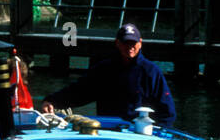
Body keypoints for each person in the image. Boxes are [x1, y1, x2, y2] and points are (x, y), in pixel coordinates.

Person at [42, 23, 175, 123]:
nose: (130, 47)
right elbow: (79, 91)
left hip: (138, 134)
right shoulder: (103, 69)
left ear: (140, 43)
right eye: (125, 43)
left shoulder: (151, 72)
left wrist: (158, 134)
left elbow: (167, 112)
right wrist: (52, 100)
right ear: (117, 43)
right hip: (107, 130)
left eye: (133, 43)